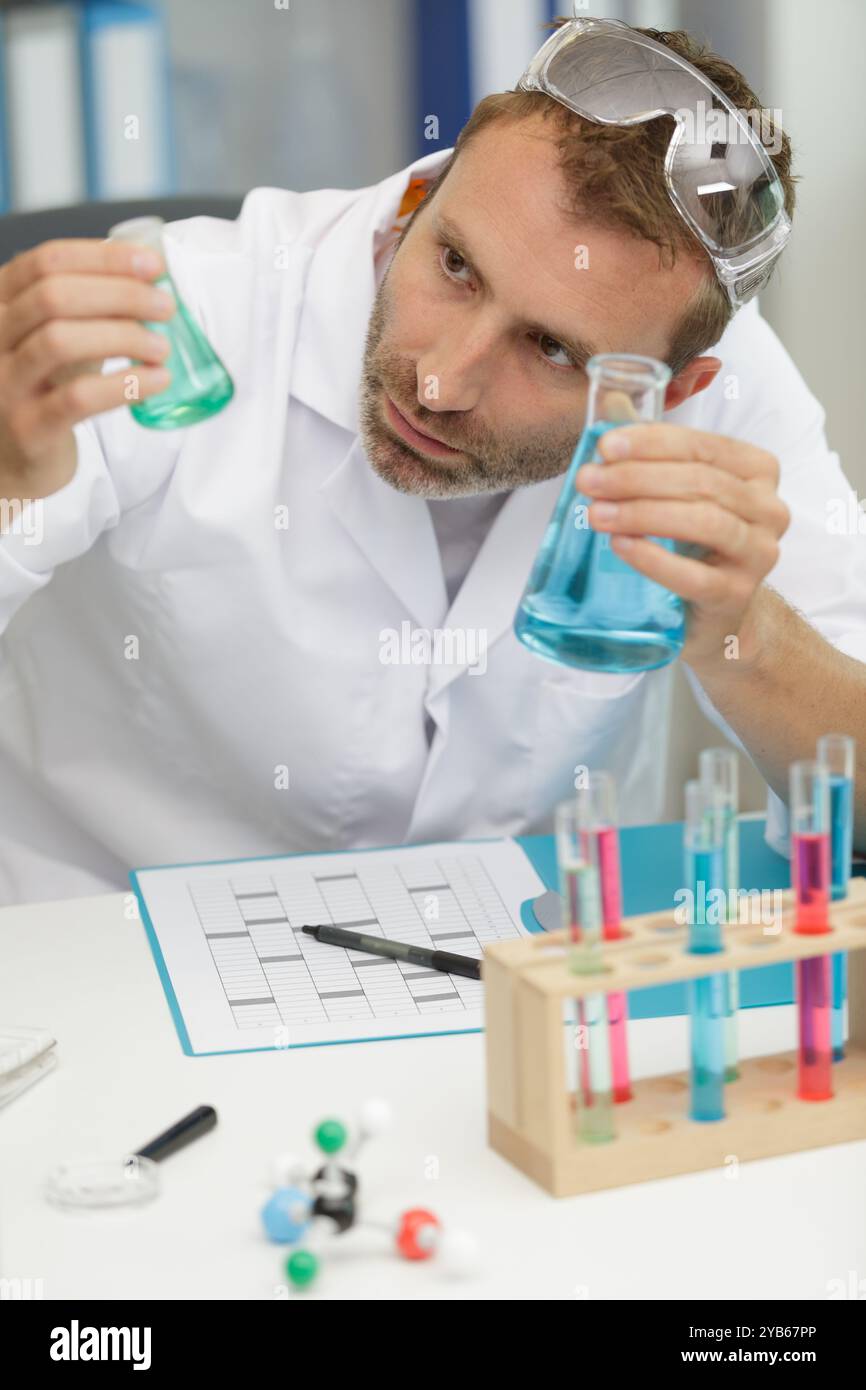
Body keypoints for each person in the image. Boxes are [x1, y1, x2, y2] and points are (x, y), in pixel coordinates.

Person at [0, 21, 863, 905]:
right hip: (104, 948)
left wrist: (745, 633)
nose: (441, 381)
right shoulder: (172, 316)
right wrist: (8, 484)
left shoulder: (725, 395)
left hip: (520, 978)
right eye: (456, 265)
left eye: (552, 350)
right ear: (420, 197)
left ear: (677, 393)